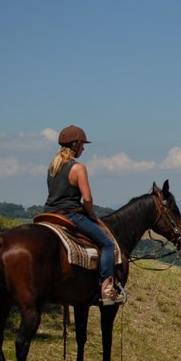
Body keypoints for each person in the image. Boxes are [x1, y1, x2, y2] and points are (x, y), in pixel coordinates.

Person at [44, 125, 124, 305]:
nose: (83, 148)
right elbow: (87, 198)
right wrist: (91, 214)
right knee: (107, 244)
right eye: (82, 144)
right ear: (75, 144)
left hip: (49, 214)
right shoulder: (78, 168)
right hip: (71, 215)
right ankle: (107, 289)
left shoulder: (53, 167)